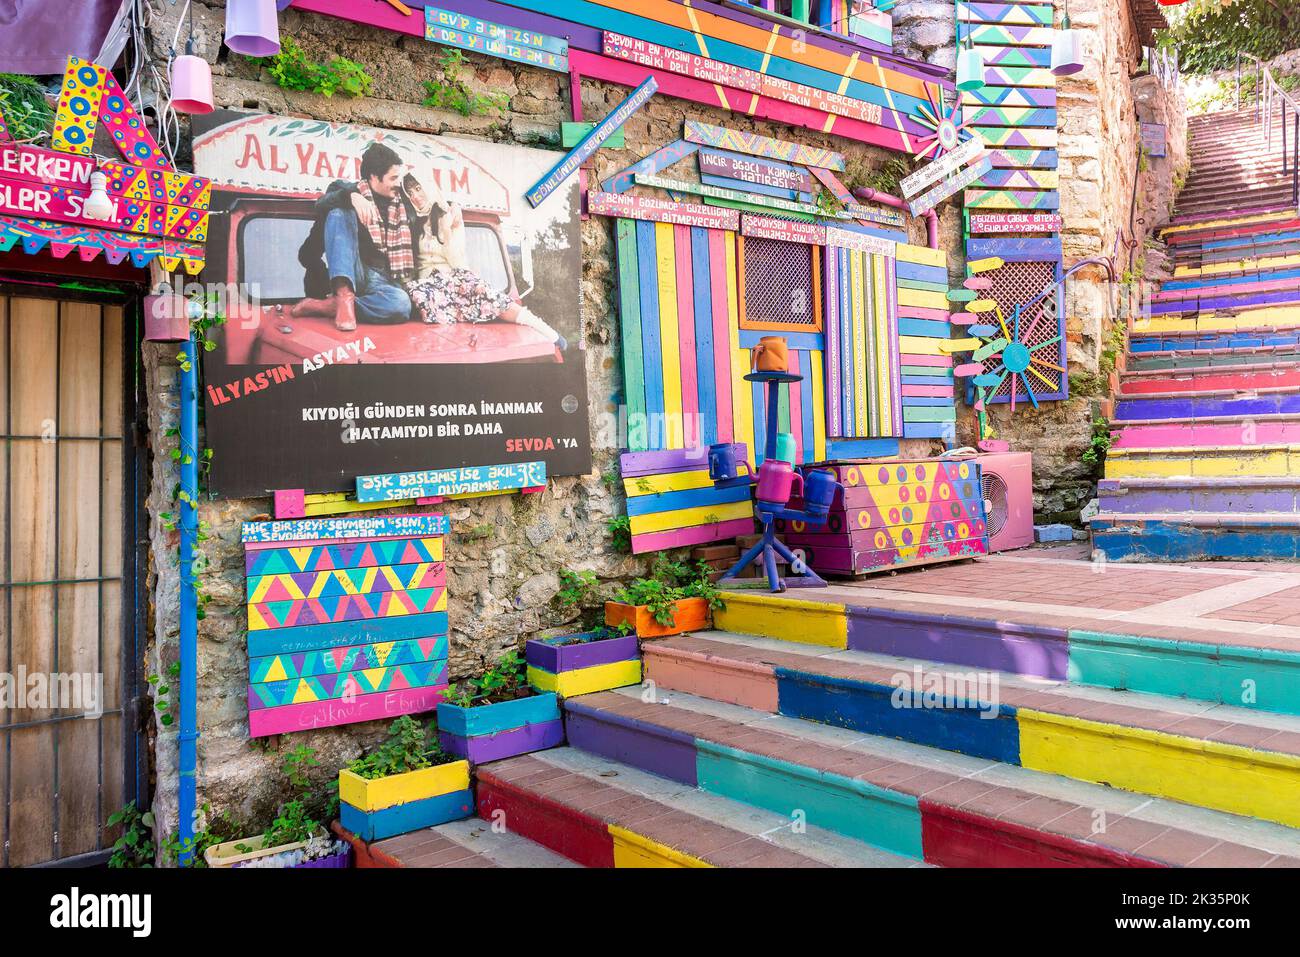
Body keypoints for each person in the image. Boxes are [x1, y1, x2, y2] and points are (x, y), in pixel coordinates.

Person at [401, 172, 567, 351]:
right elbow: (413, 264)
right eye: (410, 193)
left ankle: (549, 332)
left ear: (428, 185)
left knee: (484, 292)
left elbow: (456, 260)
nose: (415, 196)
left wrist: (447, 231)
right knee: (429, 299)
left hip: (451, 278)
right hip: (427, 286)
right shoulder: (414, 222)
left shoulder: (448, 216)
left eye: (418, 189)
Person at [295, 142, 416, 331]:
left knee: (401, 304)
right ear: (374, 177)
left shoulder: (404, 203)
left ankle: (331, 306)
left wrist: (453, 206)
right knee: (340, 212)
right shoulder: (347, 189)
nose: (398, 184)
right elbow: (321, 204)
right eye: (393, 178)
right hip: (354, 271)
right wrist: (351, 197)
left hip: (383, 278)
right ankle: (344, 295)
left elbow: (427, 202)